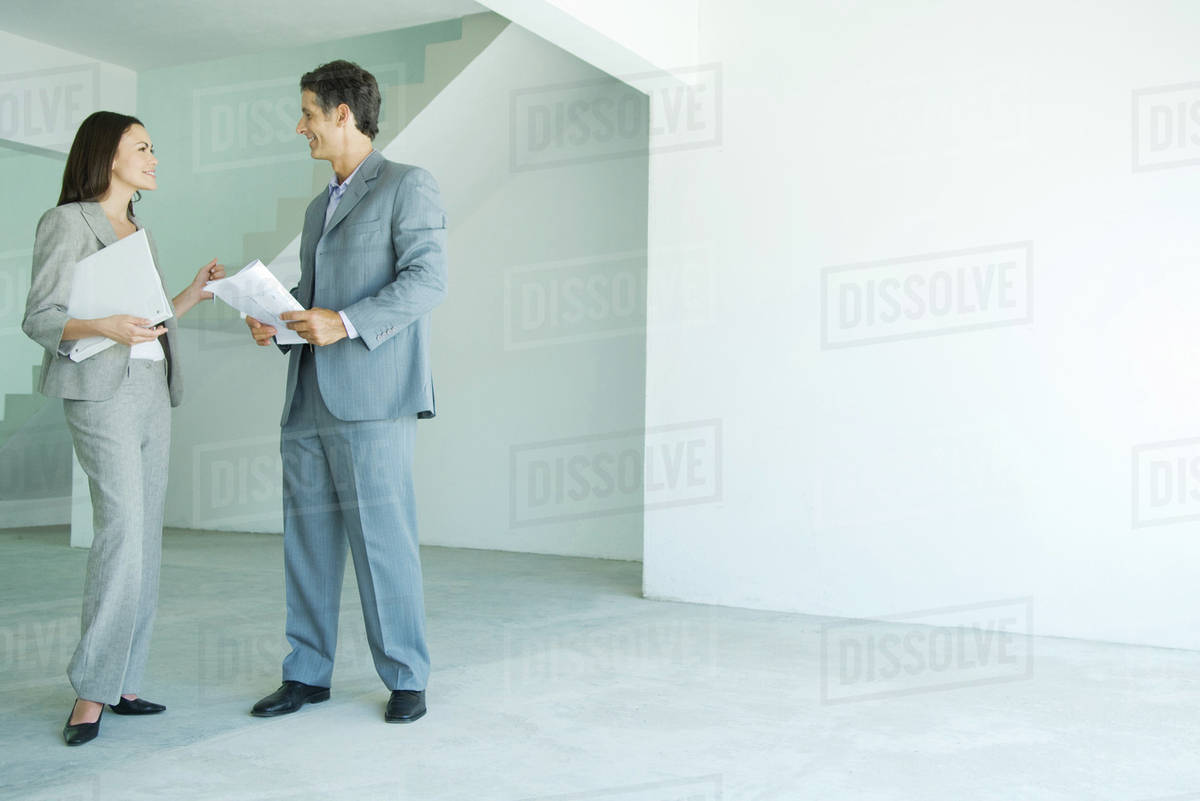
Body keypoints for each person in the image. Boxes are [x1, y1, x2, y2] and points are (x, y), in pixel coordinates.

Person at [245, 60, 447, 724]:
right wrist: (277, 321)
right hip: (306, 396)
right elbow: (313, 301)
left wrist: (346, 322)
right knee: (306, 542)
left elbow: (426, 282)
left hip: (373, 397)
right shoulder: (316, 206)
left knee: (383, 541)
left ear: (341, 114)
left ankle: (407, 675)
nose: (299, 125)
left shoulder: (407, 186)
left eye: (307, 112)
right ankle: (307, 672)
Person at [22, 111, 225, 746]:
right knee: (122, 532)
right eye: (143, 147)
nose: (154, 157)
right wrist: (103, 326)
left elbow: (151, 319)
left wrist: (190, 294)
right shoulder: (66, 222)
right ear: (108, 154)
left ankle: (124, 681)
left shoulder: (138, 229)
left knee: (145, 539)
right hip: (100, 394)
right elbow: (40, 317)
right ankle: (90, 689)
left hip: (150, 391)